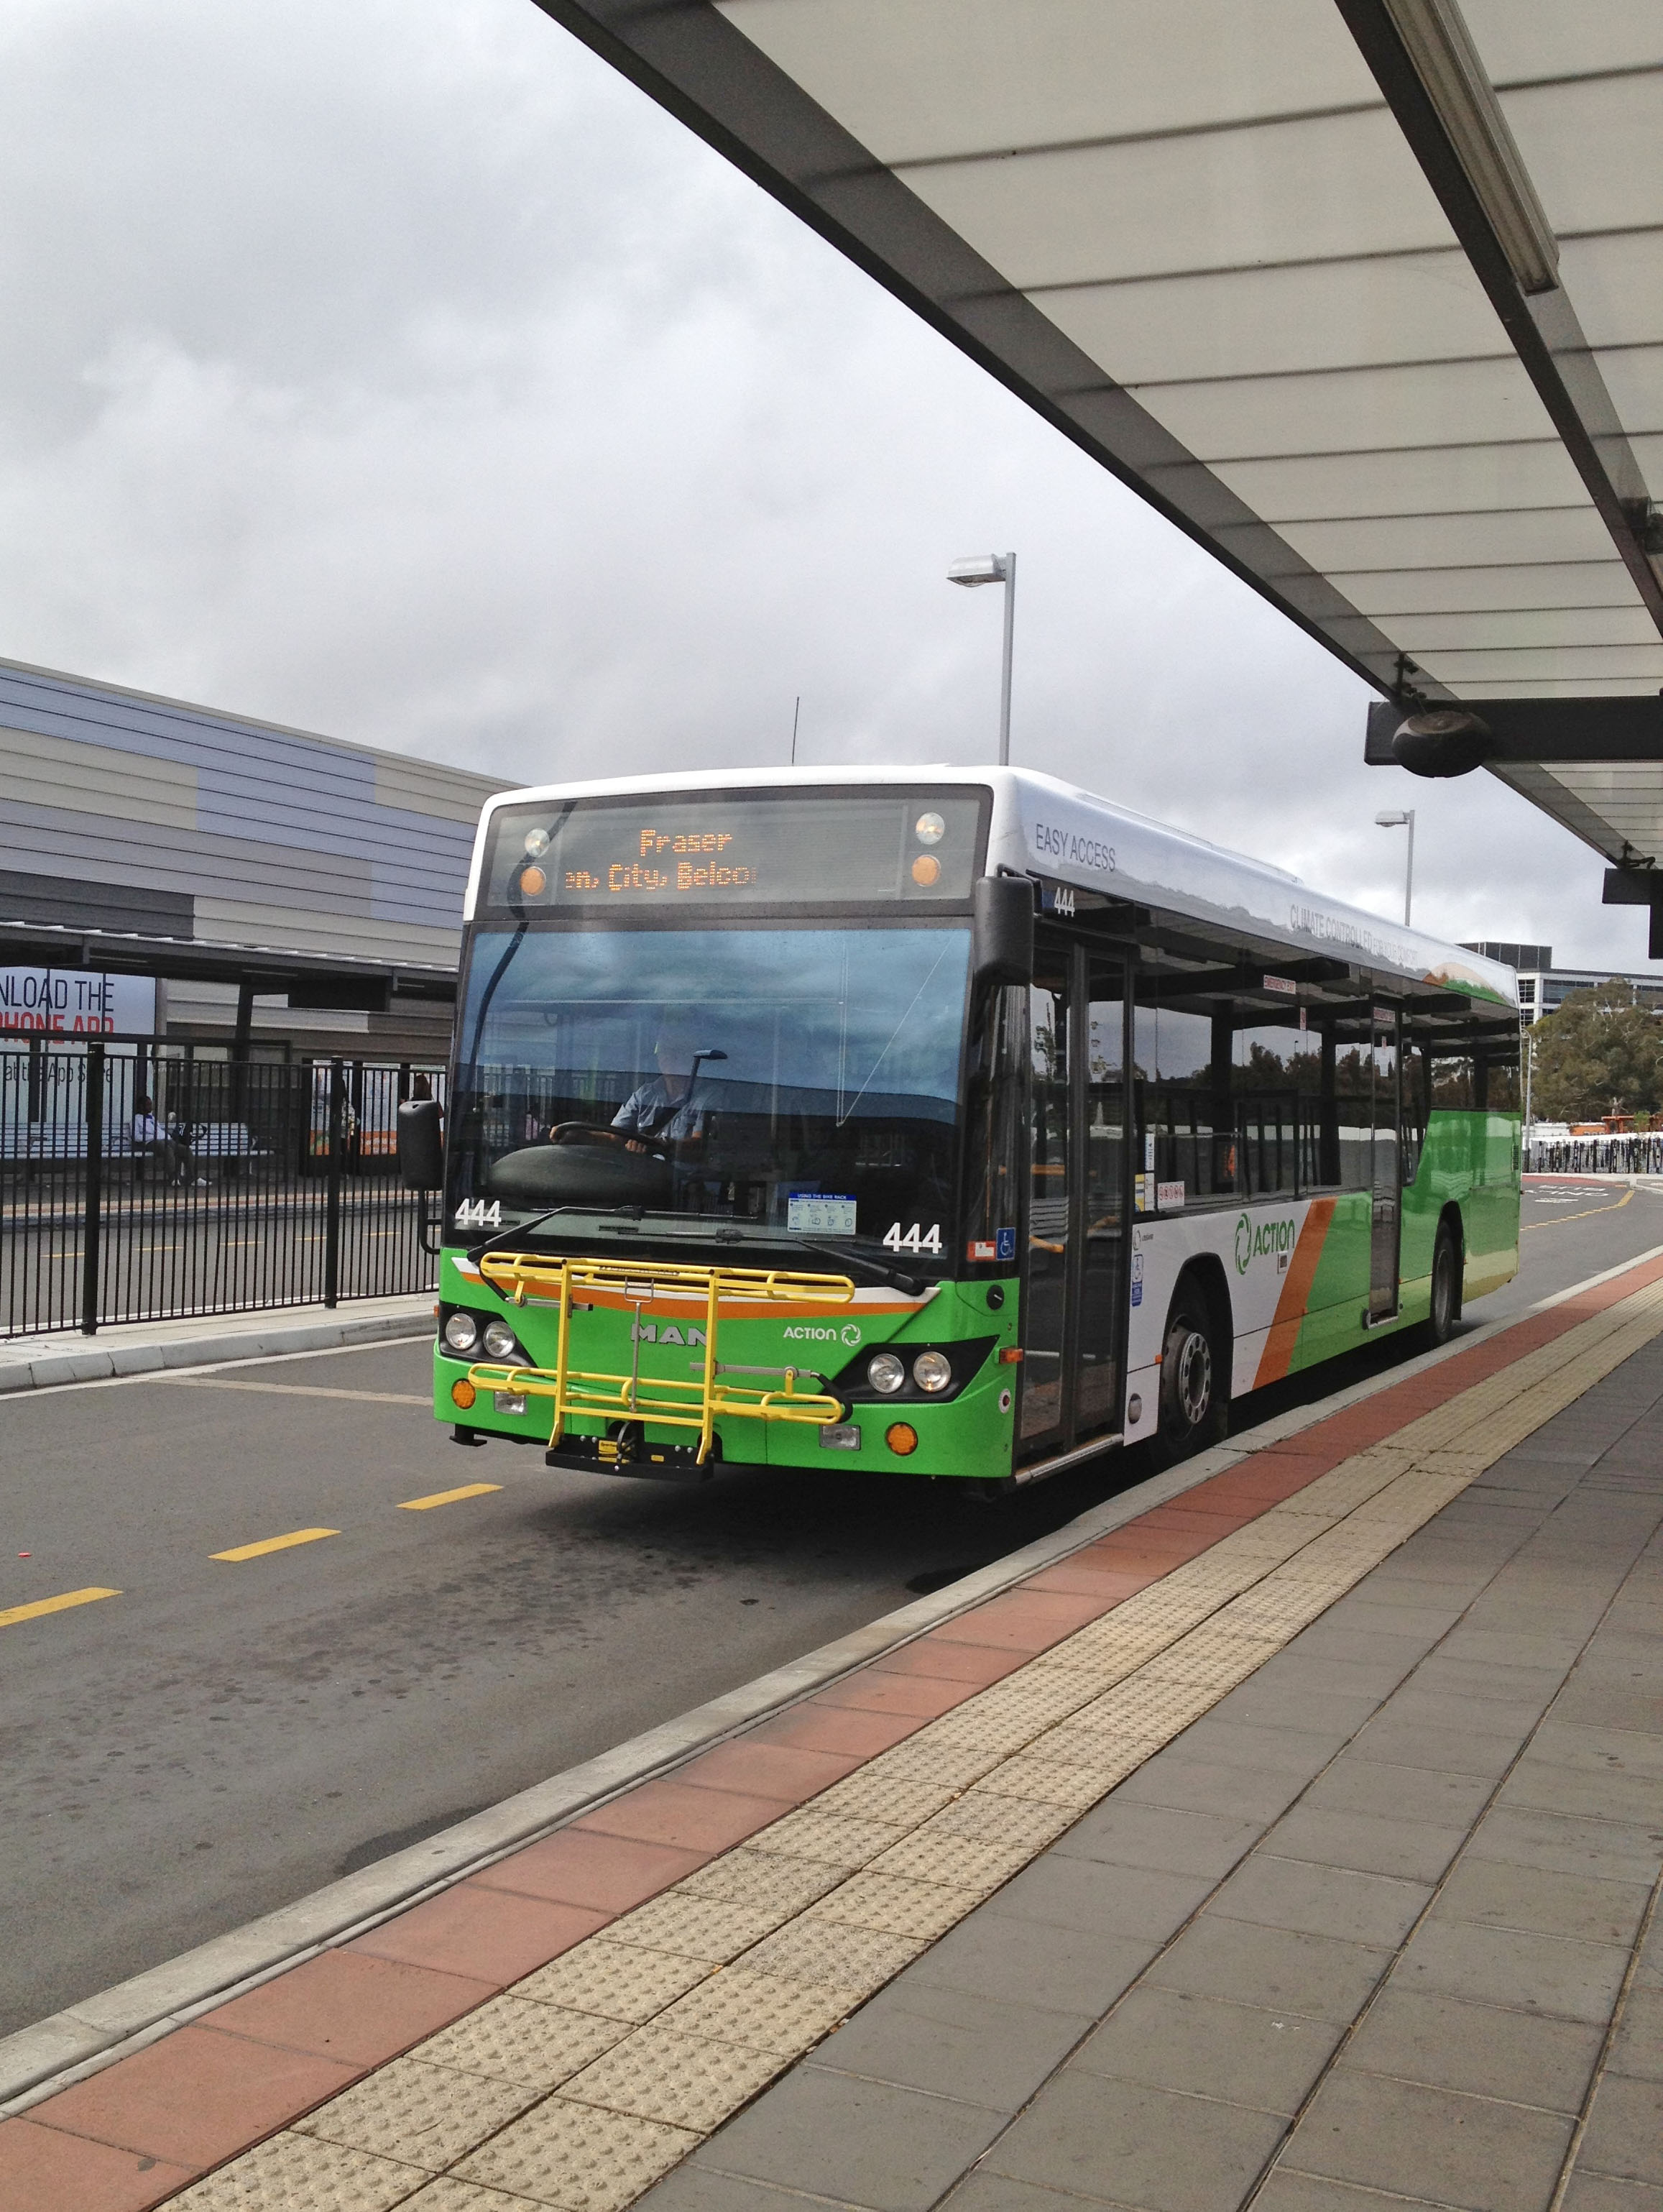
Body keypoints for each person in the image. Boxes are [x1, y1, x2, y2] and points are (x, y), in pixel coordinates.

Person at [610, 1025, 717, 1154]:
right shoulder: (645, 1094)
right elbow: (614, 1136)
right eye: (664, 1050)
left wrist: (661, 1146)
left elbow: (700, 1146)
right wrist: (583, 1136)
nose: (670, 1057)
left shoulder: (710, 1096)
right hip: (640, 1171)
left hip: (681, 1173)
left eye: (677, 1050)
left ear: (692, 1056)